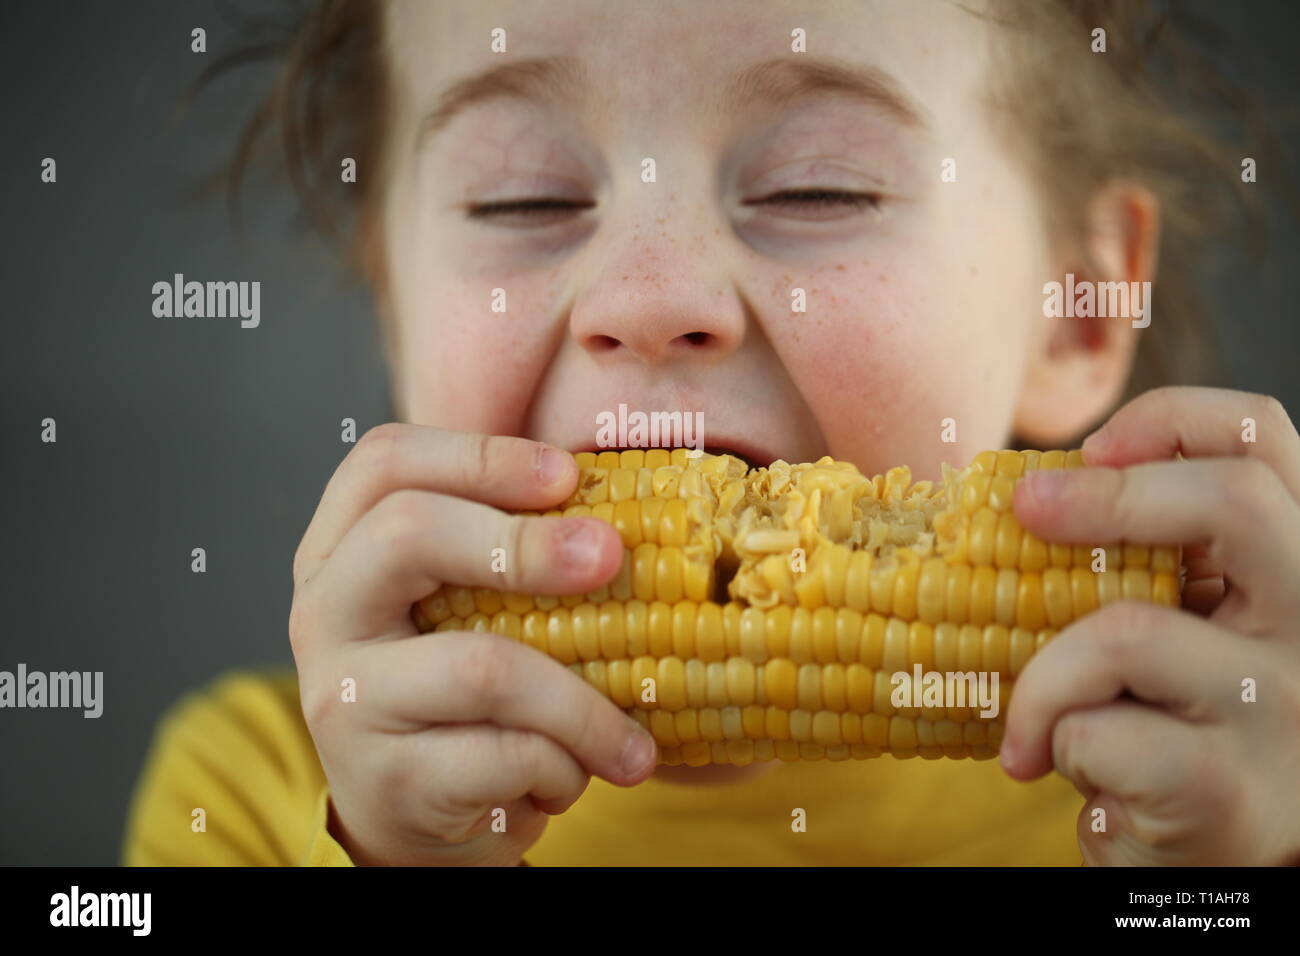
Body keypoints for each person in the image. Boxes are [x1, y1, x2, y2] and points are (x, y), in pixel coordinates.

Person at [123, 0, 1300, 866]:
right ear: (393, 303)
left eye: (816, 188)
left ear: (1075, 312)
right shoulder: (251, 794)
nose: (651, 294)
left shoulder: (1229, 787)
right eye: (521, 198)